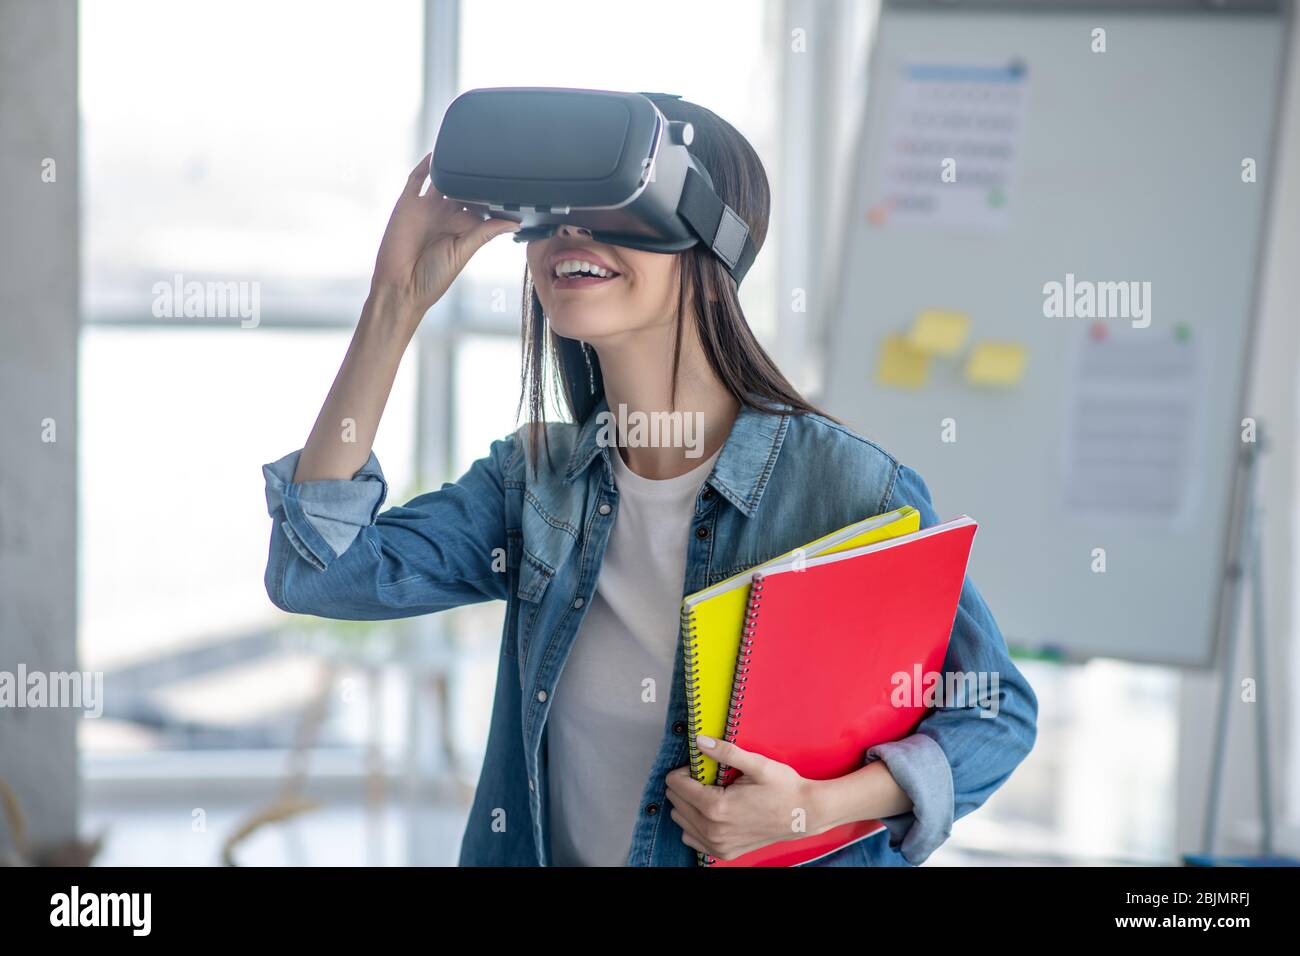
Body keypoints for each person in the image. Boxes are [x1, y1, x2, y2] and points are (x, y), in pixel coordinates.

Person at [262, 95, 1037, 866]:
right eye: (557, 210)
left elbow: (993, 711)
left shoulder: (846, 491)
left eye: (614, 203)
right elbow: (318, 571)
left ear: (706, 246)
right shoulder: (534, 482)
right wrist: (394, 304)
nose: (571, 230)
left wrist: (811, 810)